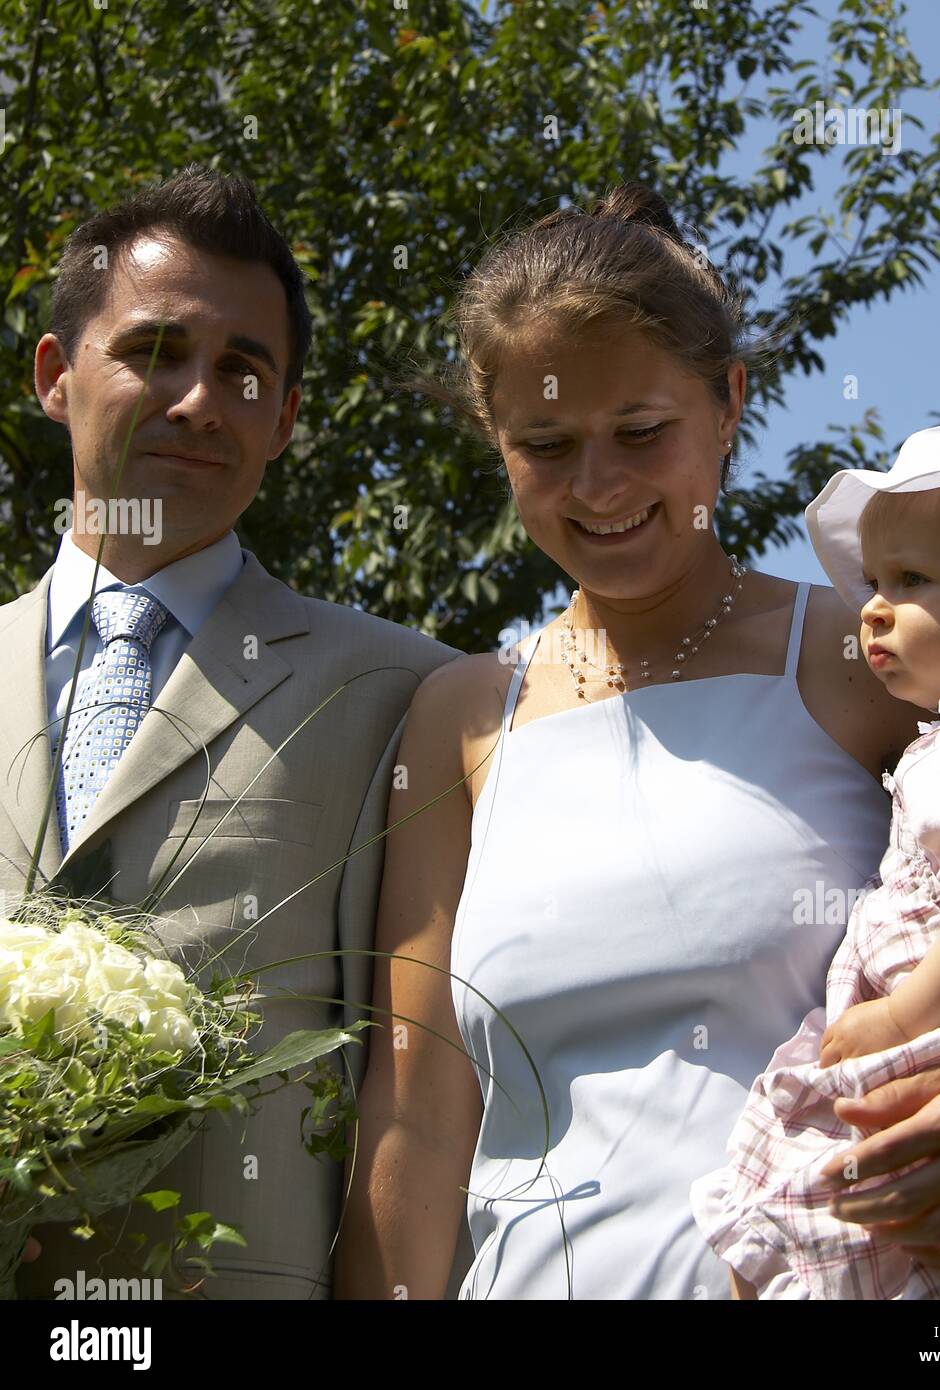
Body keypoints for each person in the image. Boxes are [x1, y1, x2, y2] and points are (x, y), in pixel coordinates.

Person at [333, 182, 940, 1300]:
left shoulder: (874, 661)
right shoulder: (458, 714)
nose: (599, 487)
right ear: (495, 442)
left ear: (731, 402)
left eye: (643, 432)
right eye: (546, 444)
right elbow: (414, 1101)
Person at [2, 165, 461, 1299]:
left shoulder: (409, 691)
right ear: (57, 376)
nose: (201, 399)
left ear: (288, 418)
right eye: (156, 351)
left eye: (244, 372)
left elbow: (418, 1080)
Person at [690, 422, 940, 1299]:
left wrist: (904, 1015)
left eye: (912, 581)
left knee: (804, 1212)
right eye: (875, 580)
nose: (873, 606)